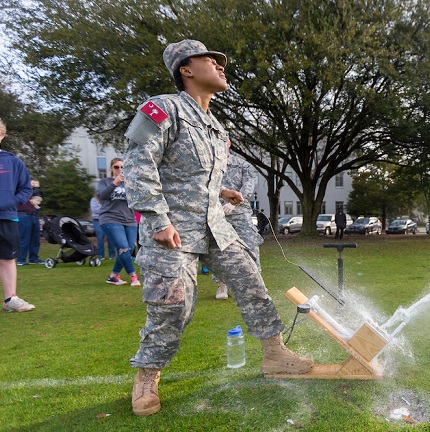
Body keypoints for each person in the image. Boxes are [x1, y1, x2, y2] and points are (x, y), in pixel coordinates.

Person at [123, 39, 312, 417]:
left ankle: (274, 354)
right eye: (210, 60)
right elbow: (138, 162)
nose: (220, 66)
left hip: (215, 226)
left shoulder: (216, 127)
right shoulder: (163, 109)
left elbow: (198, 174)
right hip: (173, 229)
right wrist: (157, 219)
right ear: (186, 69)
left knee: (251, 283)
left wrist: (222, 189)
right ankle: (147, 377)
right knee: (172, 305)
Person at [211, 141, 262, 300]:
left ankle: (256, 285)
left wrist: (233, 203)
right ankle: (222, 285)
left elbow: (249, 185)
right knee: (220, 249)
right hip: (216, 214)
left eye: (222, 141)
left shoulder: (242, 165)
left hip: (240, 213)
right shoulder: (209, 165)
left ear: (229, 144)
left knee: (250, 246)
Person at [0, 118, 36, 312]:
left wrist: (7, 202)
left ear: (2, 135)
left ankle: (10, 300)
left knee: (7, 258)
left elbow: (25, 190)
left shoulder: (12, 161)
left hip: (7, 217)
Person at [96, 158, 140, 286]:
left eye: (122, 167)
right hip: (110, 218)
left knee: (130, 248)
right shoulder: (104, 182)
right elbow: (102, 196)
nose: (120, 169)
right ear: (111, 168)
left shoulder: (130, 183)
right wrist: (115, 183)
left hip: (129, 219)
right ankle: (133, 276)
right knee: (123, 247)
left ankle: (113, 276)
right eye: (116, 167)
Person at [16, 179, 43, 265]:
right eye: (32, 182)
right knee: (24, 238)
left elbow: (37, 202)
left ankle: (33, 258)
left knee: (35, 239)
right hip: (24, 215)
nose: (34, 184)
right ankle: (21, 259)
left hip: (34, 215)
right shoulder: (21, 191)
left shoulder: (37, 193)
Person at [91, 193, 117, 260]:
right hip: (97, 221)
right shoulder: (93, 200)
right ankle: (100, 255)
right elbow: (94, 210)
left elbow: (111, 209)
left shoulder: (108, 200)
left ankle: (112, 255)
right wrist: (104, 209)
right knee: (100, 238)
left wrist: (100, 208)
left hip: (108, 220)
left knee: (110, 238)